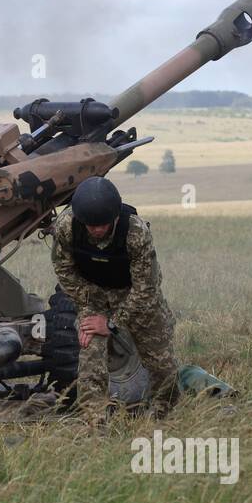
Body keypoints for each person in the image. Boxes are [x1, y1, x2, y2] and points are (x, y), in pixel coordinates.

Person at [50, 176, 179, 420]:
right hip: (92, 294)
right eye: (91, 225)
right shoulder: (67, 225)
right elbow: (64, 271)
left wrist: (112, 323)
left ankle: (163, 415)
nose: (97, 229)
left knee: (162, 364)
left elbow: (147, 288)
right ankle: (94, 422)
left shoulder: (135, 232)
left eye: (103, 224)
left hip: (135, 296)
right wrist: (91, 306)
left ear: (116, 216)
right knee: (91, 355)